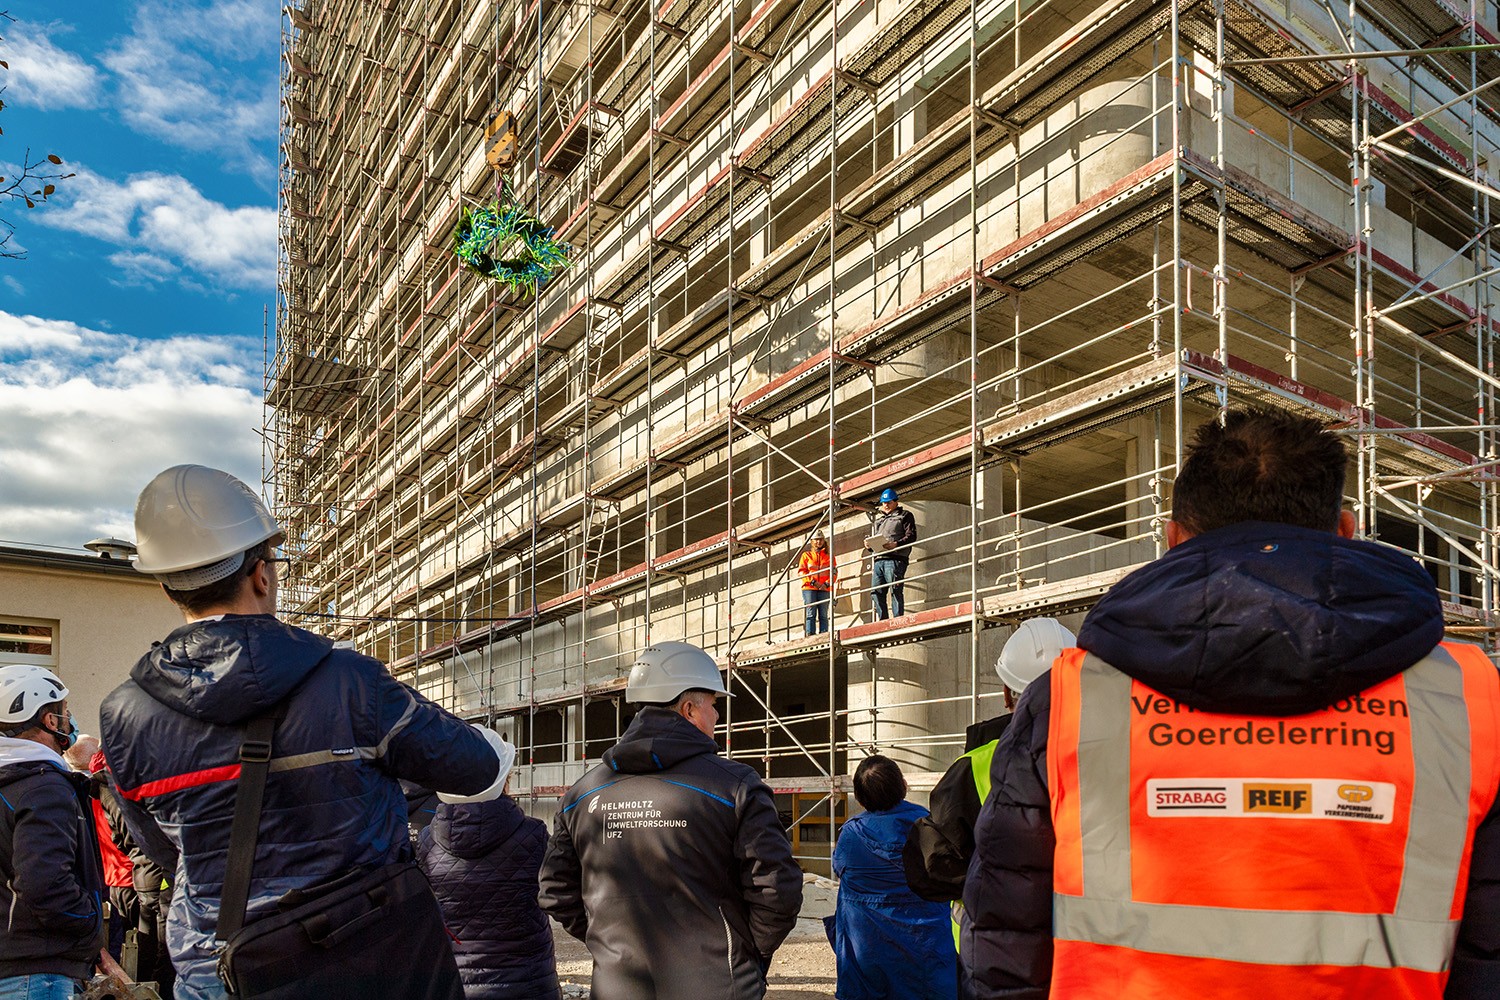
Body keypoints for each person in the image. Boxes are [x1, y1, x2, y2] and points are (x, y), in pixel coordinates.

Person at [962, 407, 1500, 999]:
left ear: (1172, 540)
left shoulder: (1068, 701)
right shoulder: (1471, 699)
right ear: (1344, 532)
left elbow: (1007, 949)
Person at [98, 464, 510, 1000]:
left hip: (221, 969)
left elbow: (158, 845)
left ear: (165, 585)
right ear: (262, 574)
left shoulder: (123, 712)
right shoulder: (350, 681)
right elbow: (478, 768)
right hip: (366, 955)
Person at [539, 640, 803, 999]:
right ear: (690, 708)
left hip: (617, 987)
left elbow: (556, 890)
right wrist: (746, 954)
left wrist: (609, 942)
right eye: (714, 704)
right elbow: (777, 890)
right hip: (719, 986)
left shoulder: (582, 795)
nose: (717, 716)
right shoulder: (734, 787)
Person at [903, 619, 1074, 910]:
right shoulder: (1122, 755)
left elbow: (931, 868)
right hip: (1094, 945)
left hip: (997, 944)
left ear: (1007, 693)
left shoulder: (976, 767)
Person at [0, 665, 122, 998]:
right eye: (64, 713)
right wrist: (89, 923)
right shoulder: (43, 786)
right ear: (50, 721)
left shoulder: (14, 781)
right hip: (35, 971)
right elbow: (44, 885)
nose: (70, 720)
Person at [418, 737, 560, 999]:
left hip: (456, 983)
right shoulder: (534, 834)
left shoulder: (427, 841)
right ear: (504, 781)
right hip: (527, 984)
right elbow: (560, 896)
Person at [828, 755, 954, 1000]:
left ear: (860, 797)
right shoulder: (928, 824)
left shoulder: (852, 835)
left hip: (867, 952)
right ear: (903, 786)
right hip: (925, 948)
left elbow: (839, 867)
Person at [867, 489, 916, 620]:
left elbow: (911, 536)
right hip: (879, 560)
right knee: (876, 593)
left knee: (895, 590)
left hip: (895, 559)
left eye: (888, 502)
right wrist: (870, 546)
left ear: (896, 502)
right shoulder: (880, 520)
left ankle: (898, 619)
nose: (886, 505)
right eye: (883, 503)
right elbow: (876, 543)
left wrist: (896, 544)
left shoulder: (905, 515)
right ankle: (883, 620)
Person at [798, 531, 837, 635]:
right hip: (809, 588)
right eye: (816, 539)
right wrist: (813, 582)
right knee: (811, 613)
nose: (818, 542)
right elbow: (802, 572)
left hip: (824, 589)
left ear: (824, 541)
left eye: (820, 539)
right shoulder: (806, 555)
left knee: (823, 614)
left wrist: (826, 584)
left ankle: (824, 634)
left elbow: (834, 573)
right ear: (812, 541)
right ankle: (810, 634)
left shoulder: (829, 556)